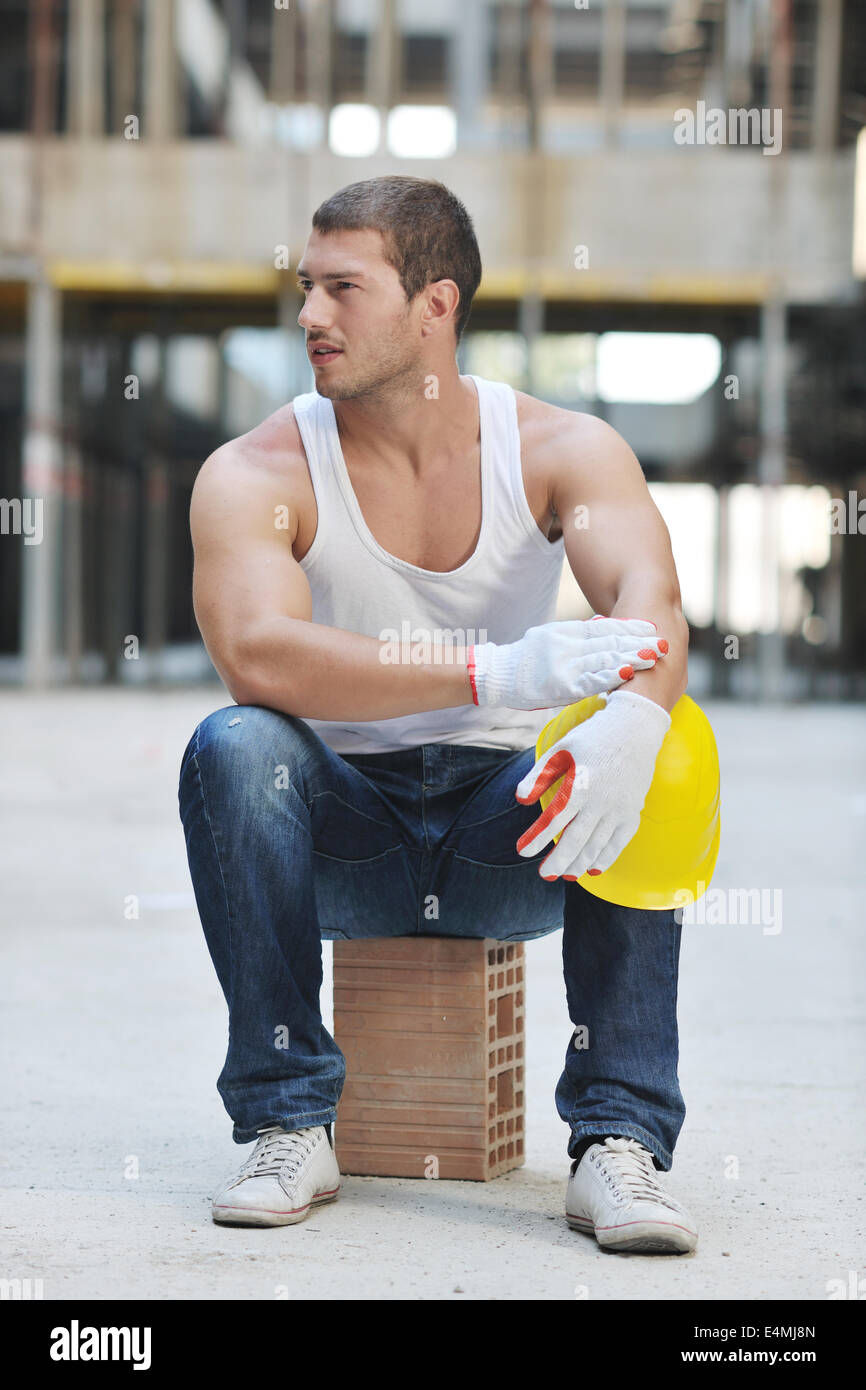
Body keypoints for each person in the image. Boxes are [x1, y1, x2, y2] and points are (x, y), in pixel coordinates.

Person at [178, 175, 697, 1255]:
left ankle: (618, 1140)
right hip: (345, 829)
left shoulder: (561, 450)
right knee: (233, 747)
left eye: (341, 289)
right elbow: (256, 656)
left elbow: (650, 607)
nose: (309, 315)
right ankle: (285, 1119)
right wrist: (491, 671)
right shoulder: (257, 469)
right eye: (304, 287)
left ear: (434, 306)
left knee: (667, 736)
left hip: (512, 832)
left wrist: (634, 715)